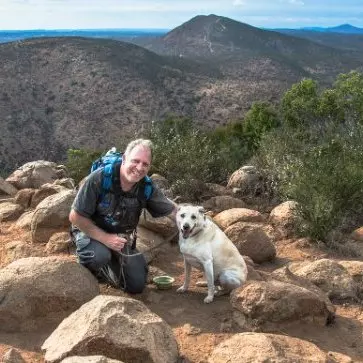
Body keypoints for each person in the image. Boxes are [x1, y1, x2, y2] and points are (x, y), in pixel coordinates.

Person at [69, 139, 176, 293]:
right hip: (90, 232)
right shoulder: (99, 179)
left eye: (145, 164)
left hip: (119, 238)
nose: (139, 168)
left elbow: (172, 210)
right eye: (135, 161)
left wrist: (195, 220)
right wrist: (105, 239)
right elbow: (75, 217)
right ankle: (91, 262)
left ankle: (111, 261)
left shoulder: (146, 187)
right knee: (98, 256)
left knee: (136, 285)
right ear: (125, 158)